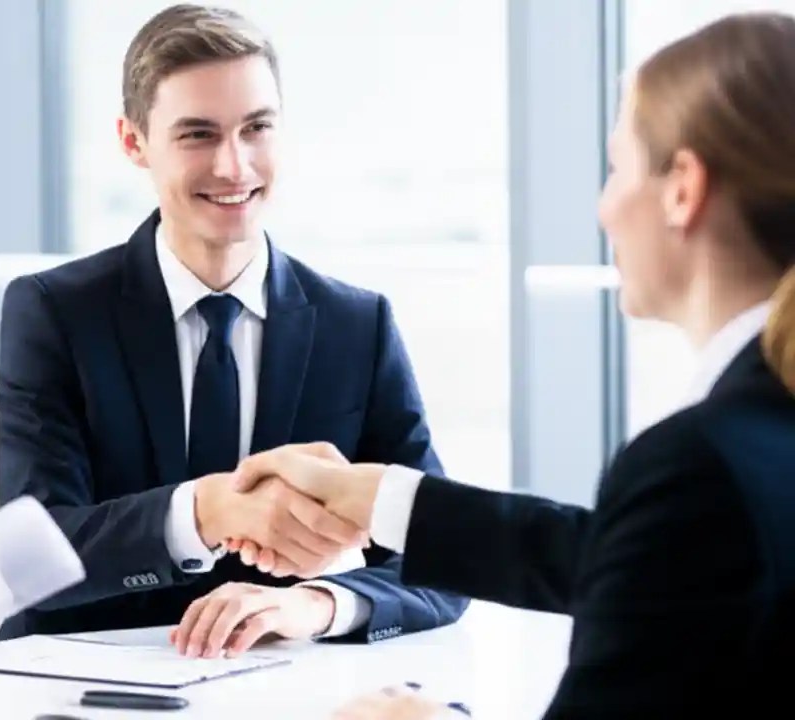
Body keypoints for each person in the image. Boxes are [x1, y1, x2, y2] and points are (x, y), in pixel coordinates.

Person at [229, 11, 795, 718]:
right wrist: (379, 501)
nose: (604, 209)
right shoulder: (757, 439)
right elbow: (641, 565)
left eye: (616, 168)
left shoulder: (700, 466)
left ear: (683, 188)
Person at [0, 3, 466, 654]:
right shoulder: (56, 312)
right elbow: (31, 560)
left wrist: (315, 604)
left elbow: (446, 555)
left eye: (256, 129)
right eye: (198, 135)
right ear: (134, 142)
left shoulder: (357, 327)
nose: (234, 166)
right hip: (86, 674)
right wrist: (205, 511)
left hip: (279, 682)